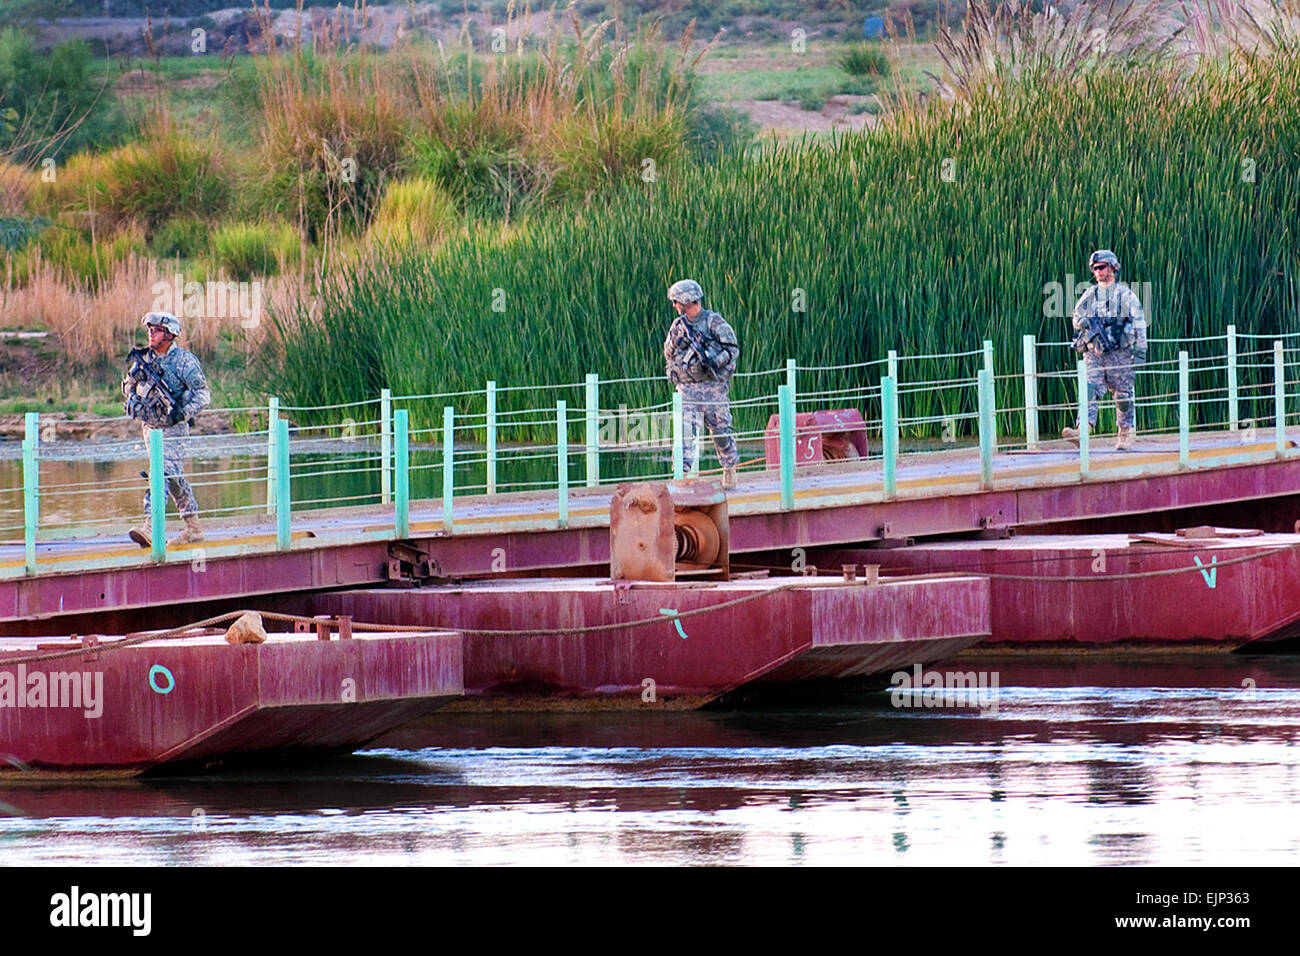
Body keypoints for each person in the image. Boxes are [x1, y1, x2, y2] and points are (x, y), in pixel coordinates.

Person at [123, 311, 211, 547]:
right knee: (172, 478)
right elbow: (128, 385)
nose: (151, 334)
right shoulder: (144, 360)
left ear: (170, 334)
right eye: (149, 330)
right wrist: (134, 398)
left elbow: (204, 395)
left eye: (157, 330)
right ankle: (194, 527)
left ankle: (151, 528)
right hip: (149, 429)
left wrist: (183, 412)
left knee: (159, 474)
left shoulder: (184, 362)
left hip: (173, 429)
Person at [1062, 249, 1147, 451]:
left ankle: (1124, 434)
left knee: (1123, 396)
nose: (1097, 272)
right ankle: (1083, 431)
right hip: (1095, 352)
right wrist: (1083, 322)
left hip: (1120, 353)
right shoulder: (1089, 294)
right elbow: (1076, 318)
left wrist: (1141, 350)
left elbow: (1139, 322)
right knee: (1090, 389)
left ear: (1112, 268)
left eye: (1101, 267)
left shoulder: (1125, 294)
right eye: (1094, 268)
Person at [663, 279, 740, 489]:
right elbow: (668, 354)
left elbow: (732, 349)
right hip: (687, 389)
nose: (674, 306)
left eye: (676, 301)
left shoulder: (713, 322)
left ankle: (729, 469)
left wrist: (713, 361)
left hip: (713, 388)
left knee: (721, 432)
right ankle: (680, 476)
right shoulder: (678, 326)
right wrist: (675, 342)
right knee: (684, 432)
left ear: (686, 300)